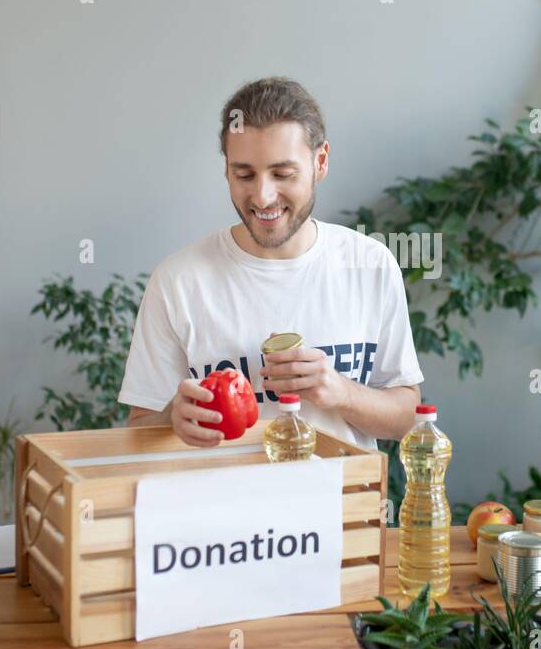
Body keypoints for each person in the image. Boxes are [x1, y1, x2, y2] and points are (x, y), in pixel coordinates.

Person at [119, 76, 423, 449]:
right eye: (244, 174)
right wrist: (171, 418)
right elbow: (136, 434)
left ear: (320, 162)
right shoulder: (178, 280)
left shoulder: (370, 264)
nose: (262, 197)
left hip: (343, 503)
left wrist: (342, 392)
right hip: (217, 505)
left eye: (283, 174)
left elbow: (408, 418)